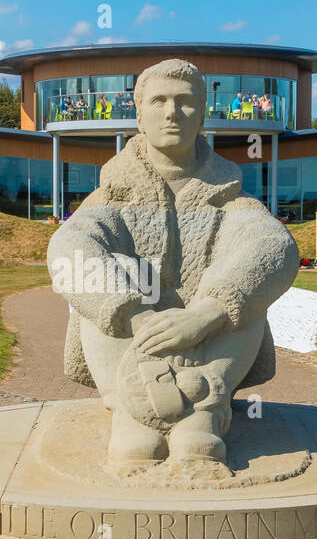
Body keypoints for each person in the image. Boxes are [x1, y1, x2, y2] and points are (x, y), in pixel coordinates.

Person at [47, 59, 297, 474]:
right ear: (139, 114)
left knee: (241, 277)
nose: (171, 112)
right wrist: (136, 315)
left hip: (212, 346)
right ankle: (133, 410)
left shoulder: (229, 198)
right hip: (131, 346)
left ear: (202, 114)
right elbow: (70, 247)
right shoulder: (113, 196)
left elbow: (273, 247)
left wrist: (206, 313)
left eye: (185, 102)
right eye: (158, 101)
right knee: (106, 272)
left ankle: (205, 409)